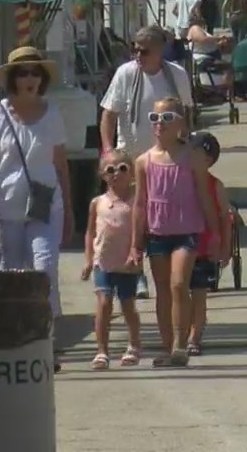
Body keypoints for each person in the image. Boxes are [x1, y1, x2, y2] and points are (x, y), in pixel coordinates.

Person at [0, 47, 71, 371]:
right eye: (22, 73)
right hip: (5, 209)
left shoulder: (53, 113)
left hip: (46, 206)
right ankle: (12, 342)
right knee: (8, 276)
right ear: (12, 80)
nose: (29, 78)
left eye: (34, 72)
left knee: (44, 269)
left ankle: (45, 342)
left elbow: (61, 165)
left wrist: (70, 210)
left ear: (41, 79)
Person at [100, 25, 195, 298]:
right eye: (135, 49)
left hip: (166, 158)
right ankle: (135, 272)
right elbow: (109, 113)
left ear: (160, 50)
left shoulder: (176, 76)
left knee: (162, 218)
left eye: (144, 50)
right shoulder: (126, 74)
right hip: (131, 156)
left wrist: (186, 147)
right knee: (133, 217)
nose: (138, 55)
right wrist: (108, 150)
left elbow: (185, 113)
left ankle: (174, 269)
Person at [126, 97, 217, 367]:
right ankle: (167, 346)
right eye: (154, 118)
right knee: (163, 290)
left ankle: (180, 343)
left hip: (187, 231)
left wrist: (215, 235)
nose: (159, 124)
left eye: (166, 118)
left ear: (179, 121)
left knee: (179, 284)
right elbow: (140, 204)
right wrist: (135, 243)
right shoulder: (143, 161)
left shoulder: (193, 157)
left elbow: (204, 196)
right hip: (157, 233)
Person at [82, 150, 143, 370]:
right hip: (103, 261)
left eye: (122, 168)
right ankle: (101, 350)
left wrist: (136, 252)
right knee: (104, 304)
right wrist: (89, 259)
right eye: (110, 170)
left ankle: (134, 345)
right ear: (102, 175)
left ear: (132, 173)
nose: (116, 174)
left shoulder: (136, 202)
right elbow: (90, 232)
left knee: (127, 305)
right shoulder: (97, 203)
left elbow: (140, 231)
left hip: (127, 263)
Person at [188, 132, 230, 356]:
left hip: (204, 250)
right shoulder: (182, 183)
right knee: (180, 293)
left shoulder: (216, 186)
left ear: (208, 160)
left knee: (199, 295)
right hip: (182, 245)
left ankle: (195, 336)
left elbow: (225, 217)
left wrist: (225, 247)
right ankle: (183, 332)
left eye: (196, 153)